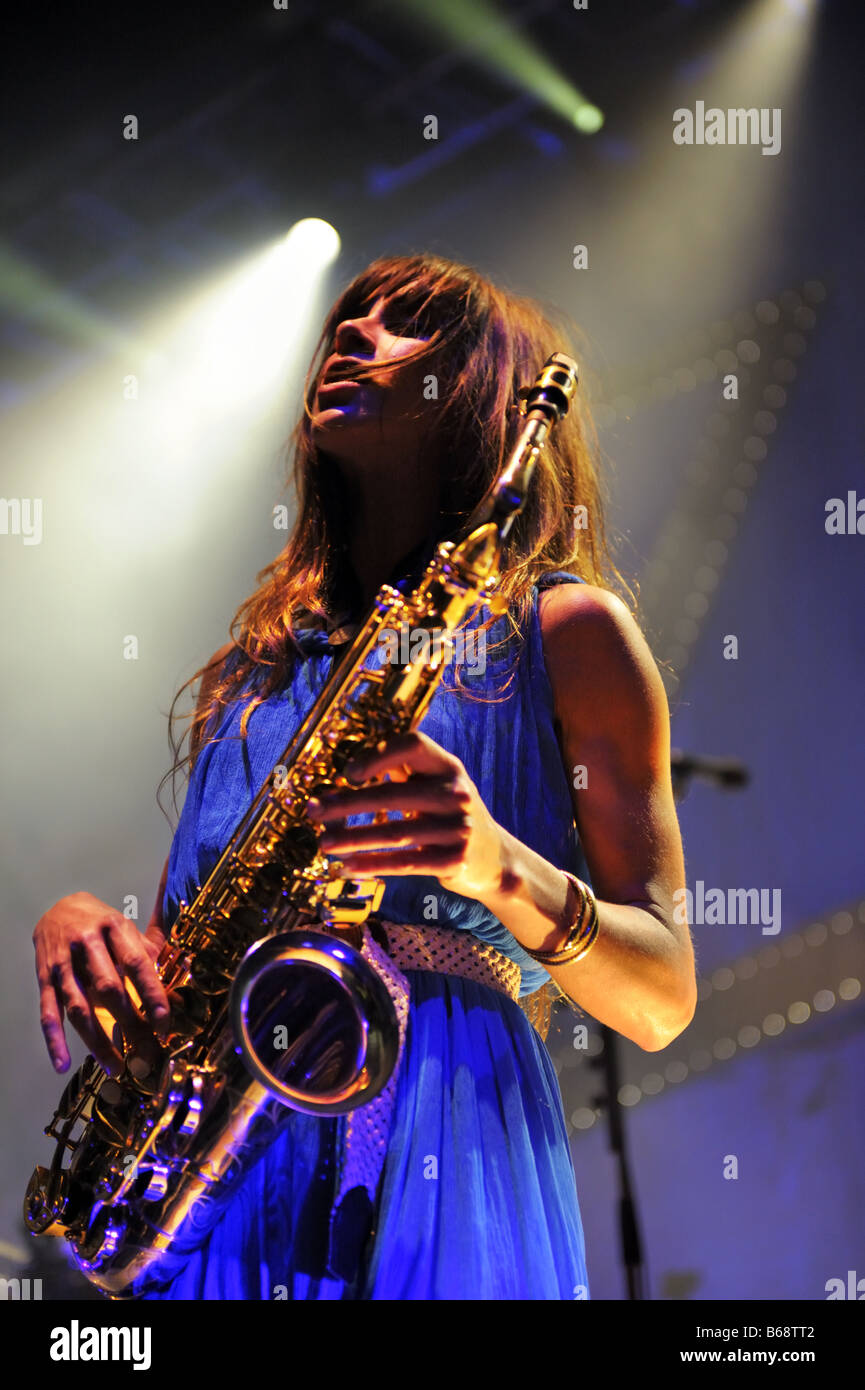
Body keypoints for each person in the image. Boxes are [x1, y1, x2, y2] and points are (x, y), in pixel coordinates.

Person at [32, 252, 696, 1299]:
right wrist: (90, 926)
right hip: (232, 1163)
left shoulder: (568, 632)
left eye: (409, 323)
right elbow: (185, 975)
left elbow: (661, 997)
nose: (354, 333)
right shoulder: (252, 676)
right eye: (351, 315)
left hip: (451, 1140)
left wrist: (497, 867)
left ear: (484, 389)